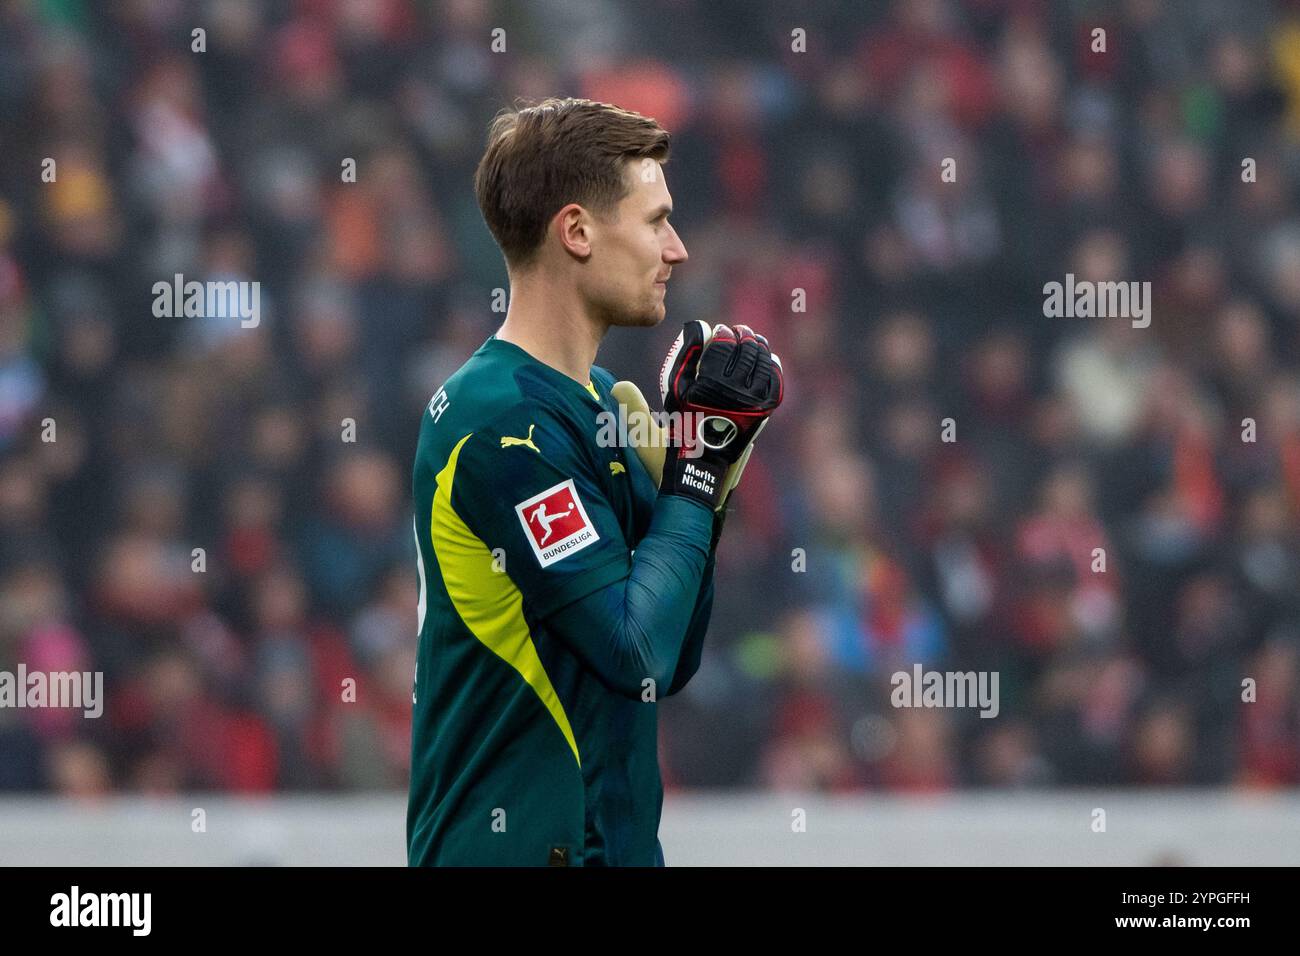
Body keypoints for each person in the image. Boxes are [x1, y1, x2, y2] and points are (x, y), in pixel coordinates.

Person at [406, 97, 783, 866]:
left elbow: (670, 660)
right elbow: (632, 651)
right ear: (576, 232)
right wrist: (695, 477)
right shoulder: (501, 425)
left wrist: (701, 496)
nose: (677, 250)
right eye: (655, 222)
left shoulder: (597, 403)